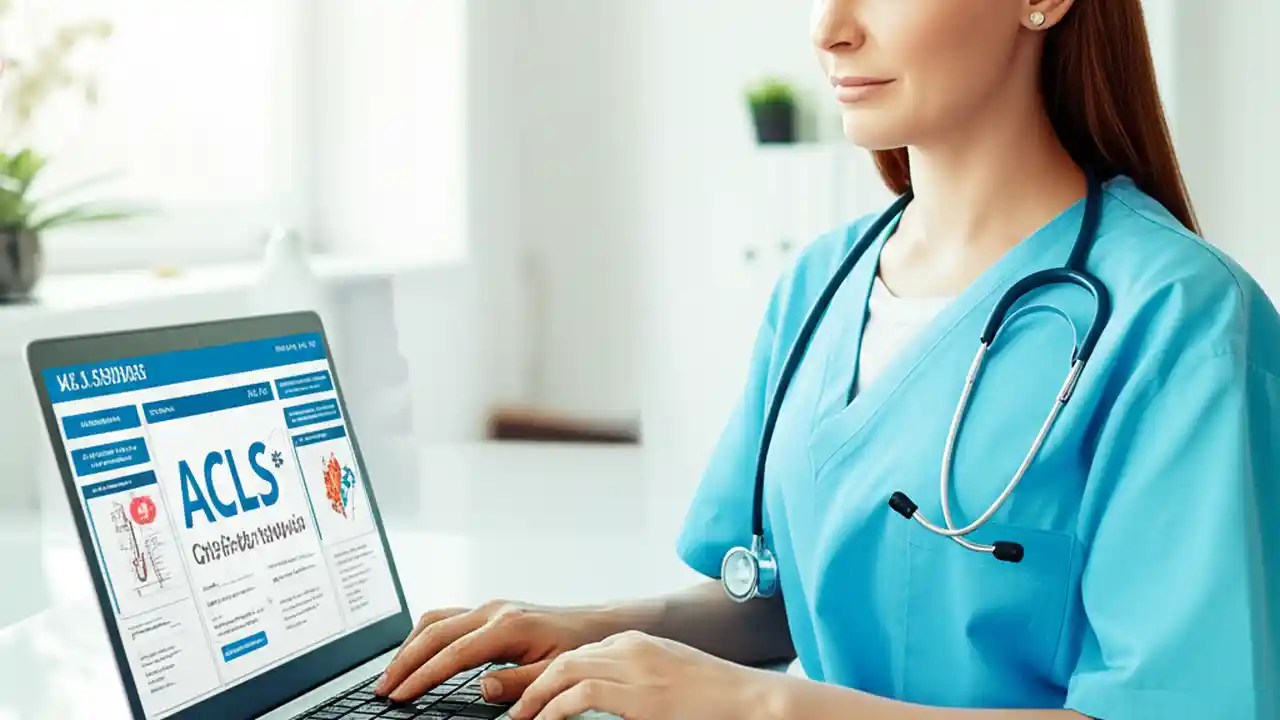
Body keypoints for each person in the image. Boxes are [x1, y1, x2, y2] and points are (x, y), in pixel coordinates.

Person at [376, 0, 1280, 717]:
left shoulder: (1182, 322)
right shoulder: (820, 282)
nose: (829, 27)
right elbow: (800, 588)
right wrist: (592, 628)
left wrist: (758, 706)